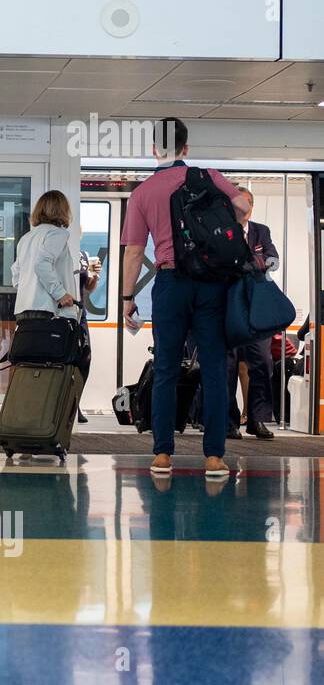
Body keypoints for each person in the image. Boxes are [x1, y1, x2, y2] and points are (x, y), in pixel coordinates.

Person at [120, 118, 251, 479]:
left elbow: (133, 252)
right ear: (185, 149)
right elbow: (242, 206)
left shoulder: (143, 192)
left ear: (153, 150)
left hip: (170, 282)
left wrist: (128, 298)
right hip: (212, 284)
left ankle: (162, 455)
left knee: (165, 368)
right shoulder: (208, 176)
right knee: (213, 368)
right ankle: (214, 458)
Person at [9, 190, 89, 420]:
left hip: (25, 312)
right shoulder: (57, 234)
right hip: (50, 313)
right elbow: (42, 264)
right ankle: (49, 421)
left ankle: (25, 421)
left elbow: (16, 274)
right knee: (61, 366)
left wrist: (29, 289)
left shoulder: (27, 238)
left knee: (29, 369)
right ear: (62, 211)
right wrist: (60, 293)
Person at [226, 187, 280, 441]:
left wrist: (256, 264)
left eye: (246, 203)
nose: (242, 207)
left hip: (257, 309)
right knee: (227, 365)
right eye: (237, 203)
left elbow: (272, 259)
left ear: (252, 206)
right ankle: (228, 422)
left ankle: (257, 419)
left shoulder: (261, 231)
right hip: (230, 308)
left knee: (263, 363)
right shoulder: (221, 231)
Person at [76, 249, 102, 423]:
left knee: (85, 357)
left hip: (80, 312)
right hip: (64, 311)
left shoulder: (84, 254)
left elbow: (87, 288)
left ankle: (74, 401)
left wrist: (94, 277)